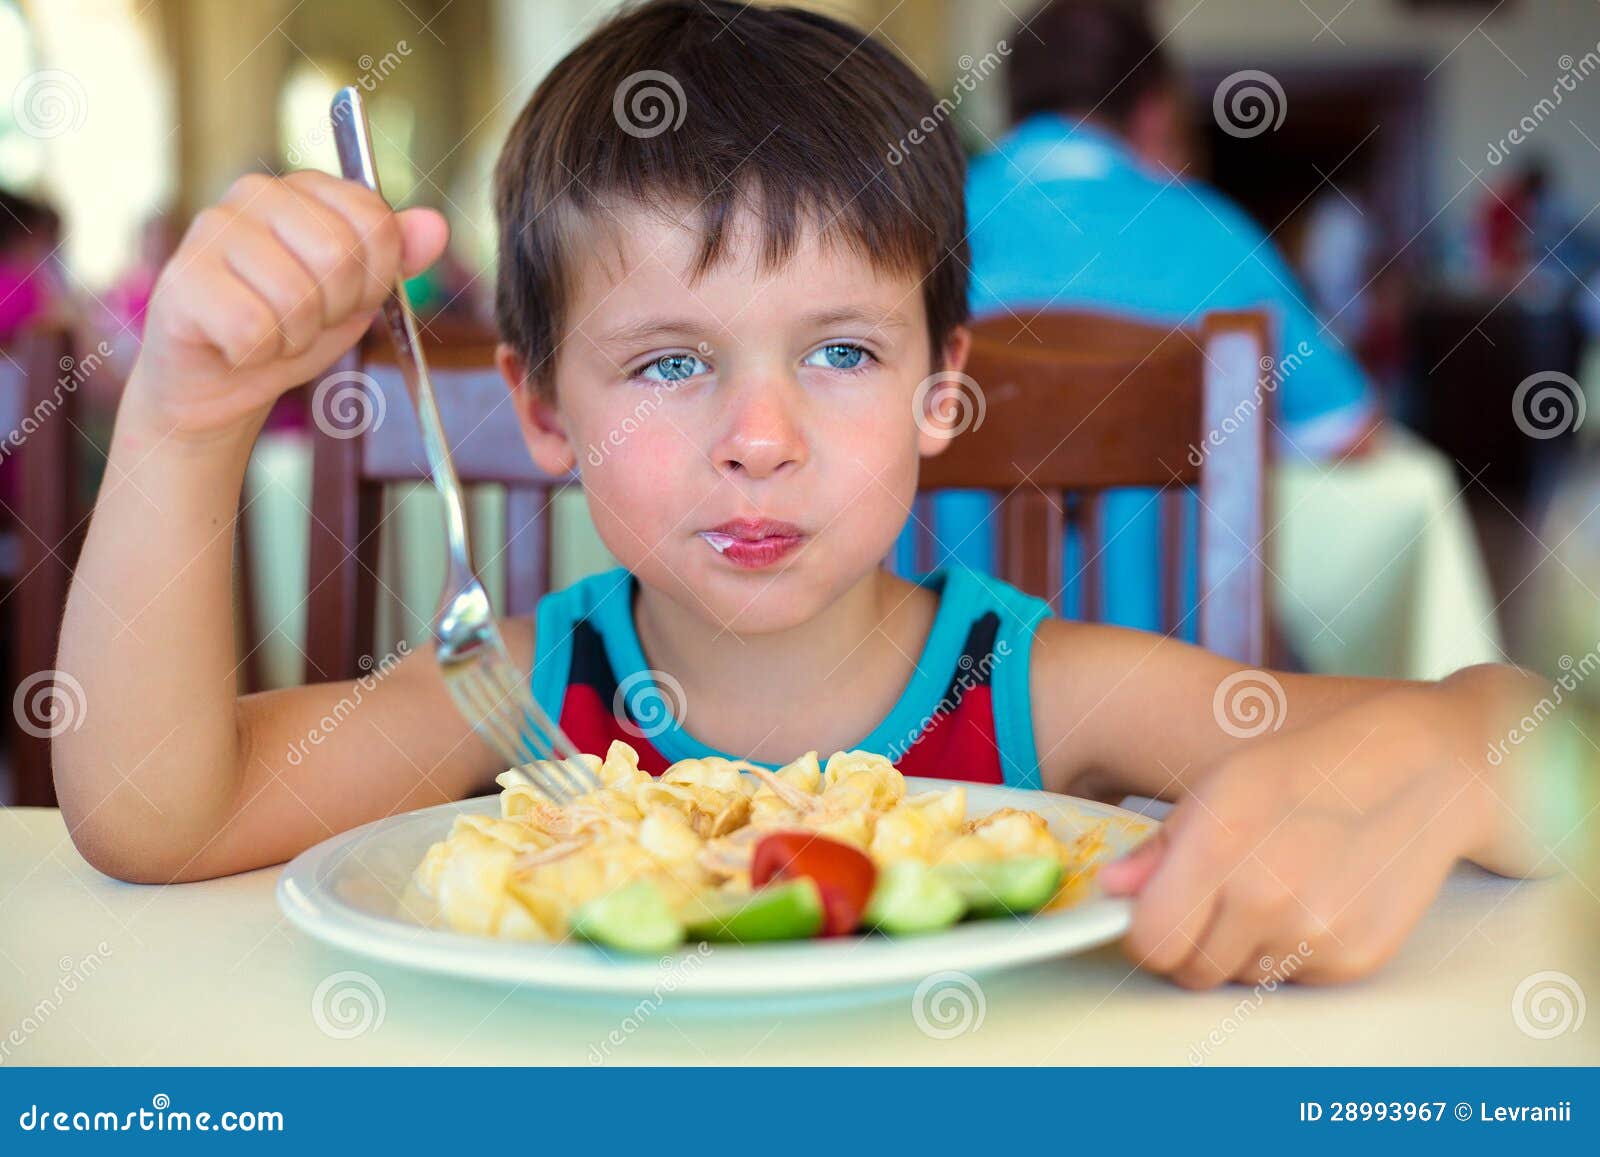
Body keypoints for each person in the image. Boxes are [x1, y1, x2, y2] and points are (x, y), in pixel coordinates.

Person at [55, 0, 1553, 989]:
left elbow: (1540, 752)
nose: (759, 438)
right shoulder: (515, 690)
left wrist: (1447, 750)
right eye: (667, 363)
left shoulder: (1046, 691)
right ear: (542, 407)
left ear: (938, 389)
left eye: (841, 351)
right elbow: (156, 819)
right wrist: (187, 415)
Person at [954, 0, 1382, 633]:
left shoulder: (915, 226)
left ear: (1012, 104)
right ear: (1154, 112)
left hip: (943, 671)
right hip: (1175, 672)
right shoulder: (1212, 232)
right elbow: (1349, 429)